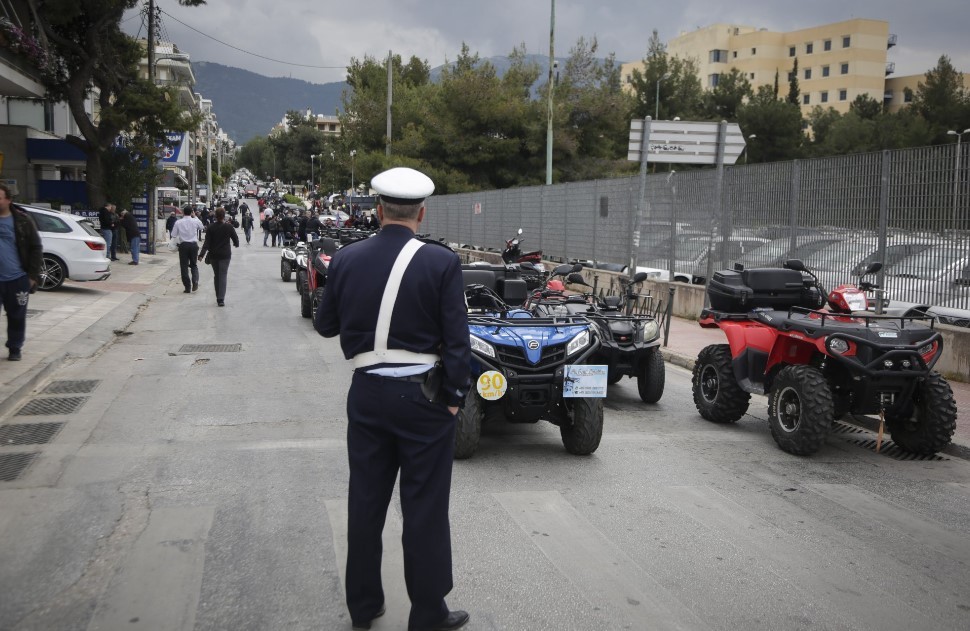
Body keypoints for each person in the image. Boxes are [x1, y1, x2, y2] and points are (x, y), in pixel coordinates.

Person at [314, 167, 471, 631]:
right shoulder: (440, 262)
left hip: (366, 394)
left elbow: (325, 325)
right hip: (423, 399)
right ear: (421, 213)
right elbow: (457, 342)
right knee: (424, 507)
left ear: (377, 210)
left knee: (364, 501)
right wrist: (454, 398)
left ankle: (363, 606)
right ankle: (427, 613)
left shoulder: (345, 258)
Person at [0, 183, 43, 361]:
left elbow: (35, 247)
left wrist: (33, 276)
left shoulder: (22, 221)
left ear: (8, 200)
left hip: (16, 278)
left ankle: (15, 347)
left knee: (16, 316)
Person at [198, 207, 239, 307]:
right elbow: (235, 239)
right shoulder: (229, 227)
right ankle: (221, 298)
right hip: (225, 255)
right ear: (224, 215)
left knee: (217, 276)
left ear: (215, 216)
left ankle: (218, 296)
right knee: (223, 275)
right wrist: (236, 244)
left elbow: (206, 243)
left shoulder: (211, 227)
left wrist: (201, 255)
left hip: (214, 255)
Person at [170, 206, 205, 293]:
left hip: (183, 245)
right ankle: (195, 281)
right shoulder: (195, 220)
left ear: (183, 212)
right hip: (193, 245)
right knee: (194, 265)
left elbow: (173, 234)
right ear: (192, 212)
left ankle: (187, 287)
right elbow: (202, 227)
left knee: (184, 266)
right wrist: (195, 216)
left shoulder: (178, 222)